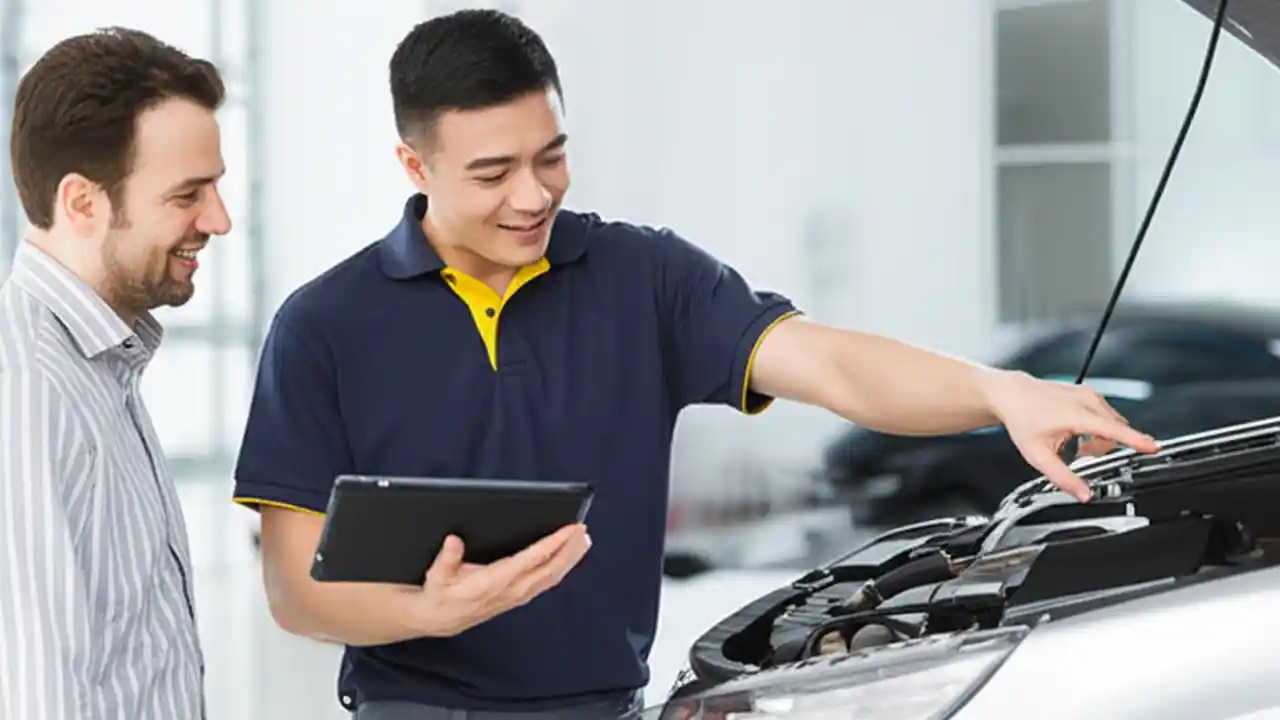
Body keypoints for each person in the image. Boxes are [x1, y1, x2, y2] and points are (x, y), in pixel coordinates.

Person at [232, 9, 1158, 719]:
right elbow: (295, 590)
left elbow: (831, 365)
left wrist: (995, 392)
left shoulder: (644, 277)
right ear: (413, 163)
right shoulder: (324, 325)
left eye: (552, 156)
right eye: (492, 172)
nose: (533, 194)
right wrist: (433, 614)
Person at [0, 27, 231, 720]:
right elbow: (35, 690)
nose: (219, 219)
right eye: (187, 194)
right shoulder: (27, 387)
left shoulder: (100, 366)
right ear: (81, 202)